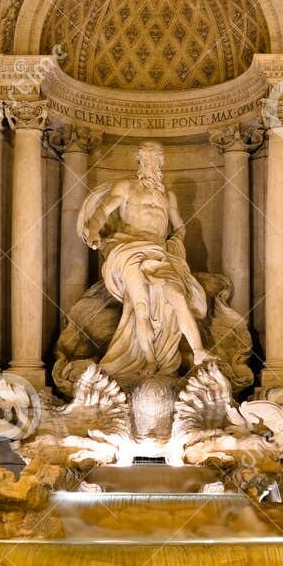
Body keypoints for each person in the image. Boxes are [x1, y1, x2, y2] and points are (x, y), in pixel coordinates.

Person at [76, 142, 212, 384]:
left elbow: (179, 226)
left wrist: (176, 242)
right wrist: (95, 230)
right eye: (148, 158)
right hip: (130, 250)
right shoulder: (125, 186)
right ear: (139, 161)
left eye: (157, 158)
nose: (153, 163)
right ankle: (149, 359)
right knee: (141, 306)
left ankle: (199, 351)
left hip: (159, 254)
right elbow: (102, 211)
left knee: (177, 295)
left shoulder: (167, 195)